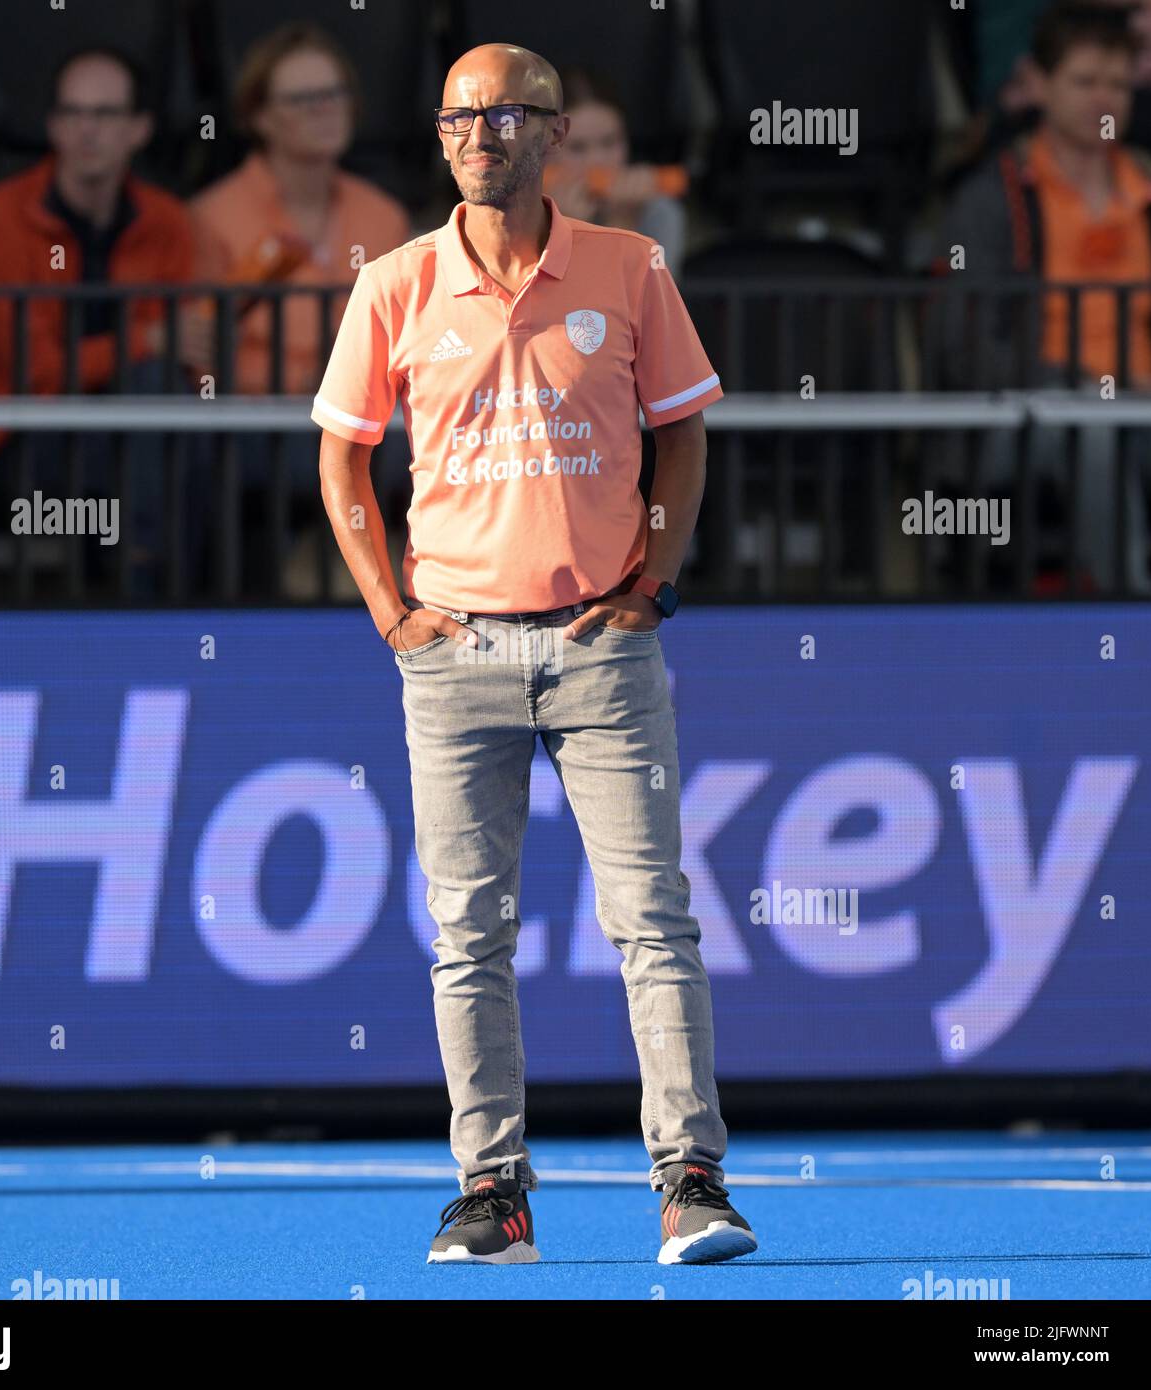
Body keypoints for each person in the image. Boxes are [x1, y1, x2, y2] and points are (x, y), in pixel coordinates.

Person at [313, 42, 757, 1266]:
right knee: (469, 936)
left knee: (653, 919)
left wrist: (653, 584)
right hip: (451, 653)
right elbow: (341, 458)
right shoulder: (395, 283)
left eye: (506, 115)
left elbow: (683, 438)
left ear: (555, 133)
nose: (479, 135)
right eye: (460, 116)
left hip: (603, 649)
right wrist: (390, 614)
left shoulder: (630, 267)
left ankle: (692, 1183)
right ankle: (492, 1194)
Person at [0, 47, 206, 587]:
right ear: (53, 127)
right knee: (155, 413)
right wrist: (149, 339)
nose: (88, 131)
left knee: (176, 416)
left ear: (140, 129)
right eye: (73, 114)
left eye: (107, 115)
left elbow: (188, 356)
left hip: (129, 433)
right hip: (19, 441)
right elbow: (36, 372)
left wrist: (157, 347)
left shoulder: (166, 221)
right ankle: (154, 601)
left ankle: (159, 590)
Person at [936, 2, 1151, 593]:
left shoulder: (1150, 187)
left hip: (1150, 408)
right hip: (1025, 414)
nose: (1103, 100)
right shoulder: (989, 198)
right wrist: (1086, 383)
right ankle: (1133, 619)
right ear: (1038, 84)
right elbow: (966, 347)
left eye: (1117, 82)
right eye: (1084, 81)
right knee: (1095, 426)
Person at [191, 23, 412, 597]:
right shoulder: (214, 217)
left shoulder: (382, 216)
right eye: (303, 99)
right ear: (260, 117)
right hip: (261, 425)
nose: (325, 110)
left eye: (334, 94)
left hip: (375, 427)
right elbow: (197, 355)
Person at [544, 65, 687, 279]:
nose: (597, 161)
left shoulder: (658, 212)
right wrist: (568, 233)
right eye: (577, 148)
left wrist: (624, 227)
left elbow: (652, 307)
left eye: (609, 143)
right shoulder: (525, 216)